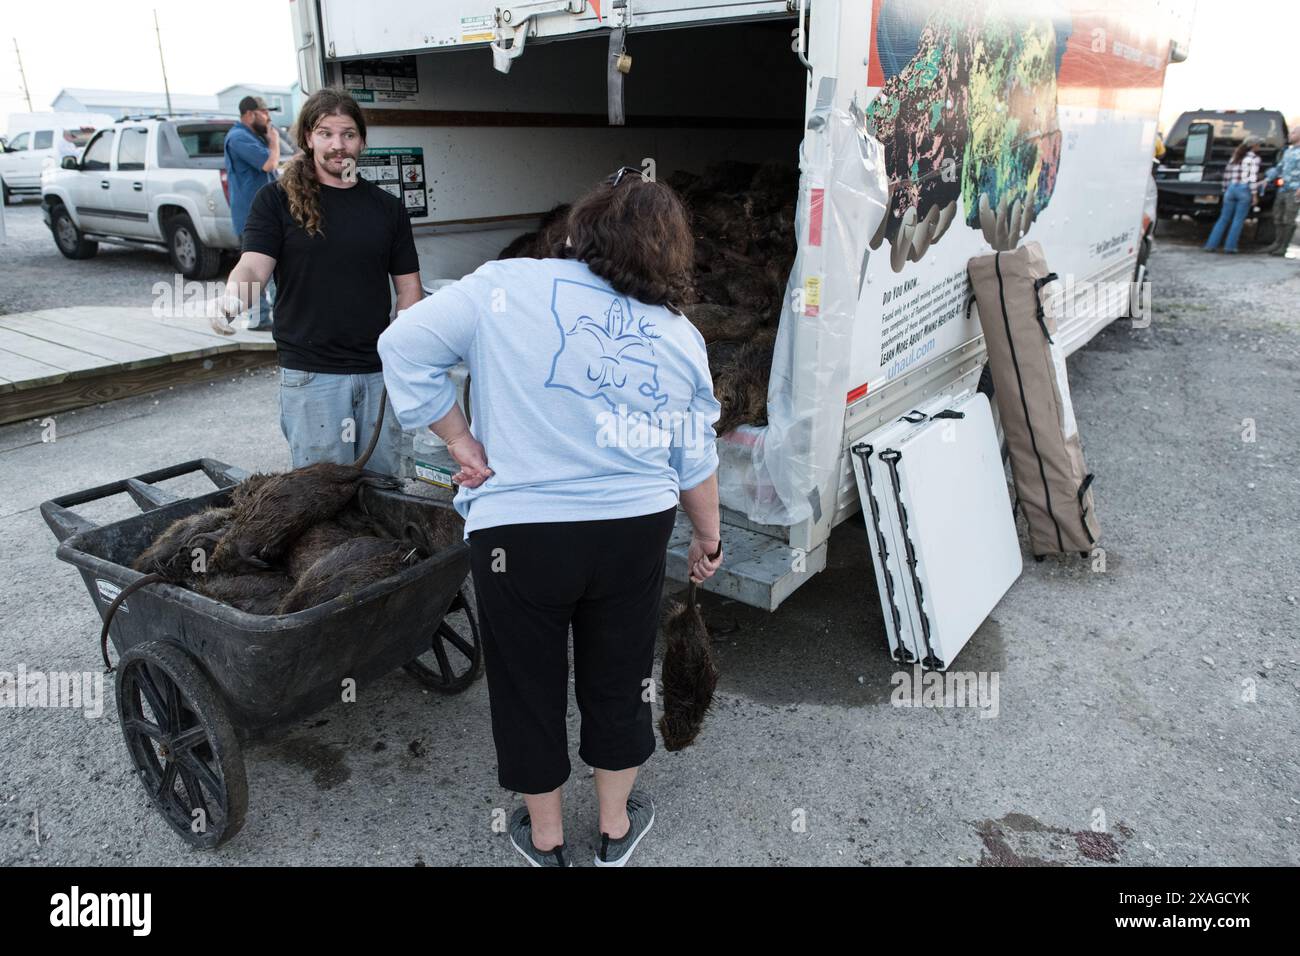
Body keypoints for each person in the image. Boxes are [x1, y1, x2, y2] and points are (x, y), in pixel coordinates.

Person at [378, 168, 725, 867]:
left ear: (583, 229)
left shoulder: (506, 283)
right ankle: (615, 830)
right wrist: (708, 539)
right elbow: (695, 457)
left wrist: (458, 439)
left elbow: (401, 346)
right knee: (620, 674)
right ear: (669, 255)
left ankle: (544, 838)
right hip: (633, 530)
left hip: (518, 535)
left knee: (525, 681)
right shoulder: (680, 334)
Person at [212, 88, 422, 476]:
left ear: (361, 140)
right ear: (308, 138)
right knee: (321, 501)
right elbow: (254, 267)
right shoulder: (274, 201)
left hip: (379, 374)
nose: (337, 145)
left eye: (348, 135)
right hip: (313, 376)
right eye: (326, 133)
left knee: (384, 492)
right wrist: (232, 300)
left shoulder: (387, 207)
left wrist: (406, 347)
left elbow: (408, 288)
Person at [223, 95, 281, 330]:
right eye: (264, 112)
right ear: (250, 114)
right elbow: (269, 164)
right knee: (258, 268)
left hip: (264, 214)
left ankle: (268, 318)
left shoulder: (250, 136)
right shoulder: (238, 137)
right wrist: (274, 140)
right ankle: (259, 319)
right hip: (252, 217)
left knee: (273, 266)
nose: (268, 117)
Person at [1204, 137, 1262, 254]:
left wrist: (1226, 189)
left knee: (1223, 219)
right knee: (1238, 220)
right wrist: (1255, 195)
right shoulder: (1254, 159)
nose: (1260, 147)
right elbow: (1252, 178)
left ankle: (1211, 245)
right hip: (1244, 190)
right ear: (1254, 145)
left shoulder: (1235, 157)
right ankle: (1230, 247)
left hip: (1231, 188)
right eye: (1259, 144)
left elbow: (1226, 175)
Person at [1266, 127, 1300, 256]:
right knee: (1278, 216)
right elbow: (1279, 168)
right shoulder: (1288, 151)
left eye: (1293, 133)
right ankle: (1277, 243)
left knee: (1289, 219)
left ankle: (1283, 247)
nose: (1290, 135)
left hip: (1294, 191)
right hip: (1283, 189)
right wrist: (1266, 179)